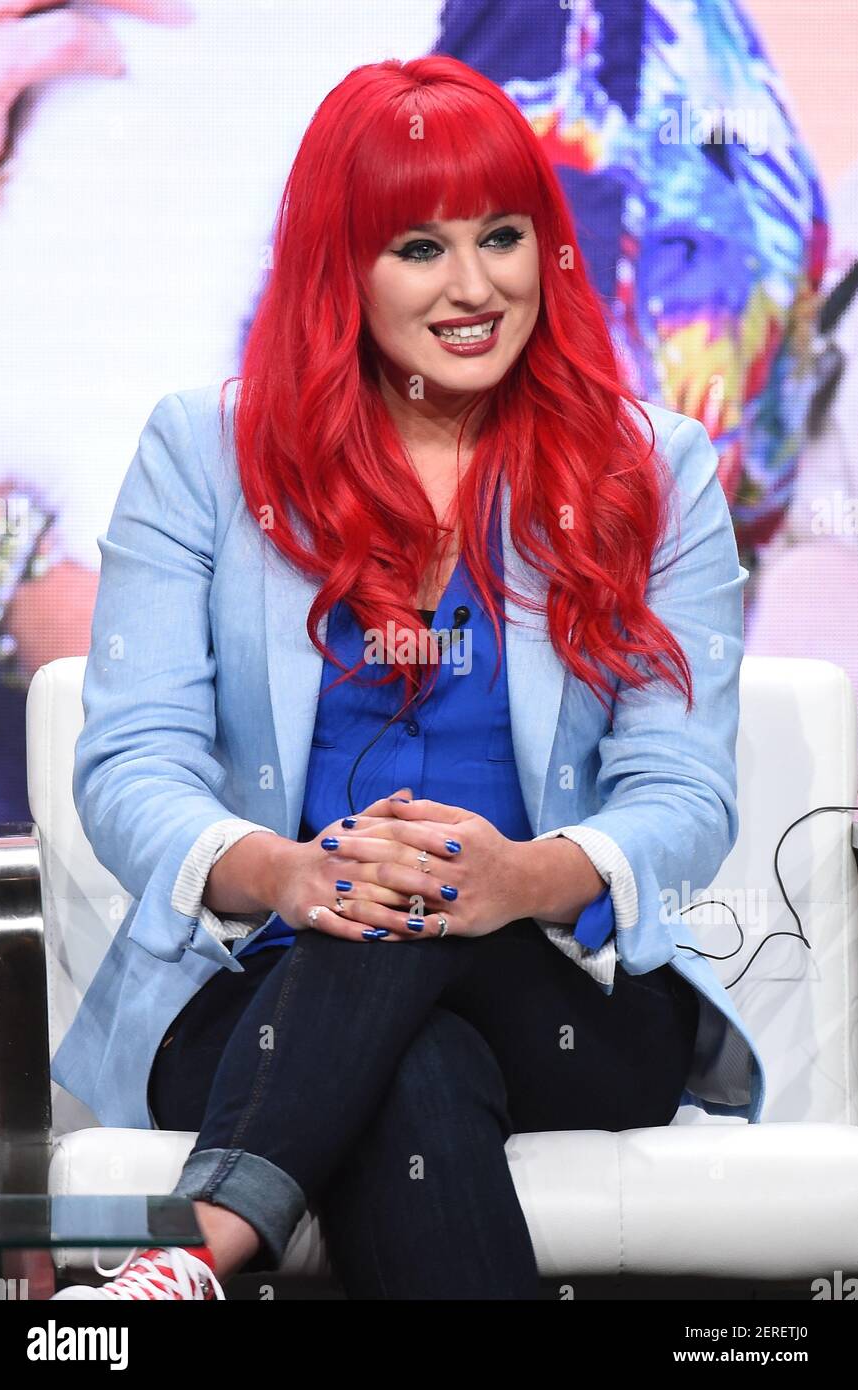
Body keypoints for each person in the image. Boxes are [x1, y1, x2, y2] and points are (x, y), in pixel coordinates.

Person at [50, 54, 765, 1302]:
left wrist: (519, 878)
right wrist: (290, 872)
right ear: (340, 269)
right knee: (413, 1062)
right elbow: (132, 763)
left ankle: (200, 1240)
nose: (476, 287)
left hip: (562, 996)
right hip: (258, 988)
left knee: (419, 895)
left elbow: (680, 792)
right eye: (418, 249)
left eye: (502, 236)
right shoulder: (202, 455)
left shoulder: (651, 470)